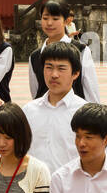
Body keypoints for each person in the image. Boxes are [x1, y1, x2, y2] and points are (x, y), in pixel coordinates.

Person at [23, 41, 87, 172]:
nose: (54, 75)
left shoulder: (84, 113)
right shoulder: (28, 111)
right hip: (33, 189)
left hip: (70, 188)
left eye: (61, 68)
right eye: (49, 67)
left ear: (75, 74)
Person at [27, 0, 100, 102]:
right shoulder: (35, 56)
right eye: (45, 18)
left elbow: (91, 89)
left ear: (66, 21)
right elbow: (35, 92)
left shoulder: (81, 50)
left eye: (55, 19)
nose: (49, 23)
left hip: (75, 114)